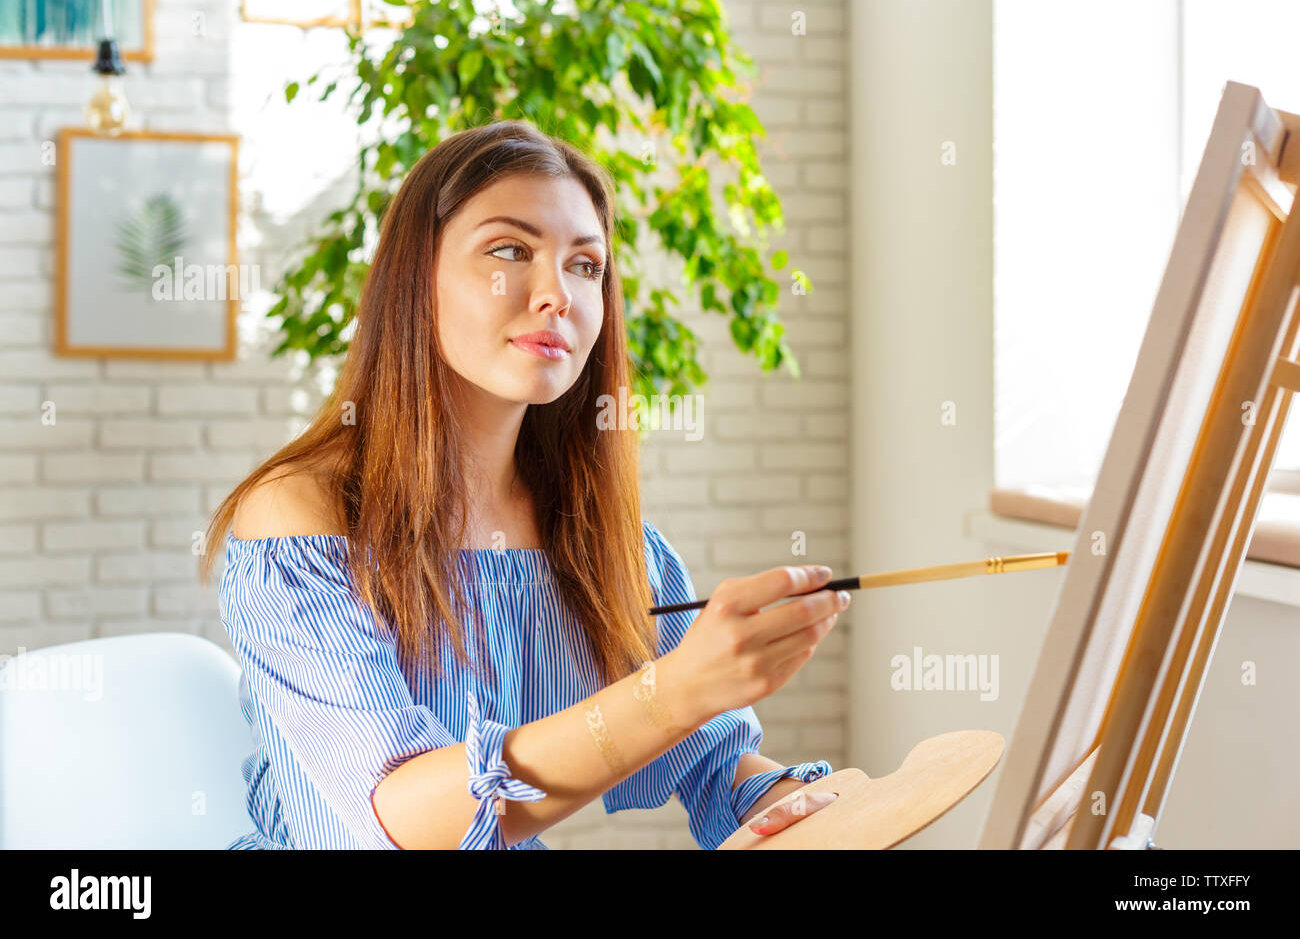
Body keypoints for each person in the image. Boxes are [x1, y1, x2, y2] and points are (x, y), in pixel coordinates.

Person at [200, 120, 848, 850]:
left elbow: (716, 761)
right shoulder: (297, 518)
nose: (558, 295)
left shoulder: (611, 544)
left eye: (586, 265)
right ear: (416, 278)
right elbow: (403, 817)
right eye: (510, 250)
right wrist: (675, 690)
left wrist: (800, 805)